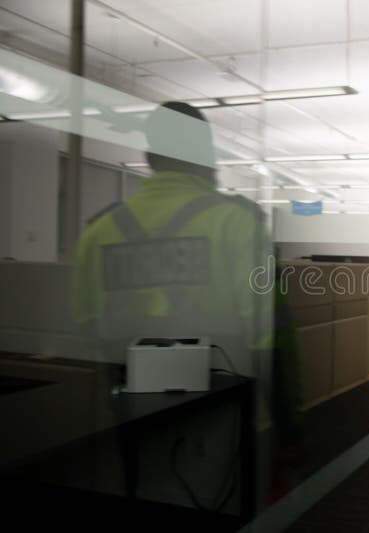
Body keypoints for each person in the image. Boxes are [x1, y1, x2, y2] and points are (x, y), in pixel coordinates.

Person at [72, 101, 302, 504]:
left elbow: (89, 331)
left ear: (148, 158)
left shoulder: (100, 233)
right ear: (207, 158)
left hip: (134, 416)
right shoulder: (236, 224)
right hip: (219, 420)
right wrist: (289, 431)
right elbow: (272, 339)